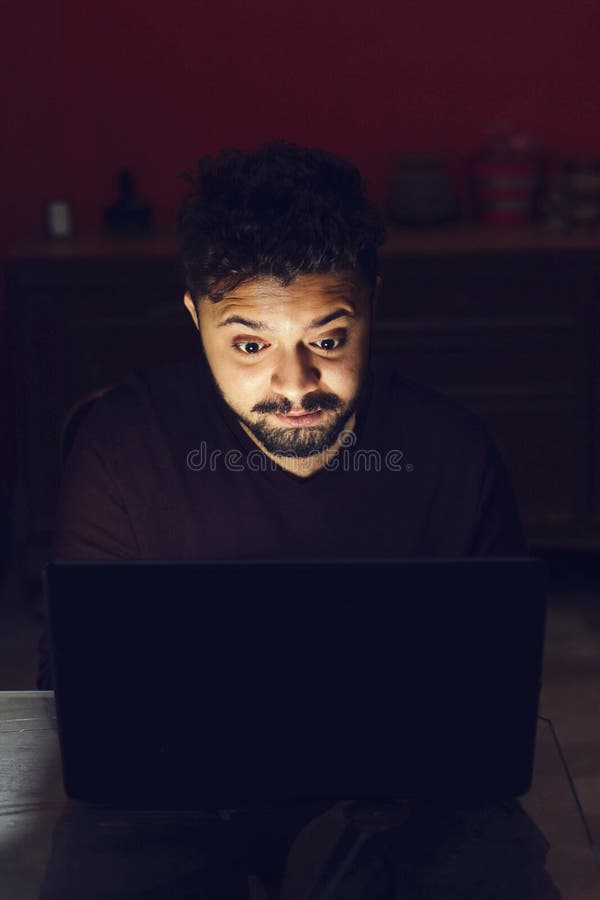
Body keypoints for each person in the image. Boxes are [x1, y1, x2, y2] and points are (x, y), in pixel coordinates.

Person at [38, 141, 544, 898]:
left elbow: (488, 713)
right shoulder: (121, 448)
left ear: (374, 300)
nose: (294, 384)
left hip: (404, 799)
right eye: (249, 344)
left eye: (328, 339)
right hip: (172, 800)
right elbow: (83, 700)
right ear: (194, 315)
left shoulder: (454, 450)